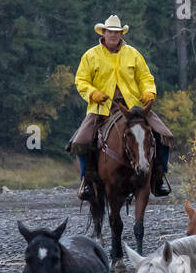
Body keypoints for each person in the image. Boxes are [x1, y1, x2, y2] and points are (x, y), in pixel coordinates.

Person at [68, 15, 173, 200]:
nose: (114, 35)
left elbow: (146, 78)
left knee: (164, 135)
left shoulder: (133, 54)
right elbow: (81, 81)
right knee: (80, 141)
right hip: (102, 108)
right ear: (104, 33)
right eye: (110, 32)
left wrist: (149, 92)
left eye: (117, 32)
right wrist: (93, 93)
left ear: (121, 34)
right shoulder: (90, 55)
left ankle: (159, 177)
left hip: (134, 107)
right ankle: (86, 181)